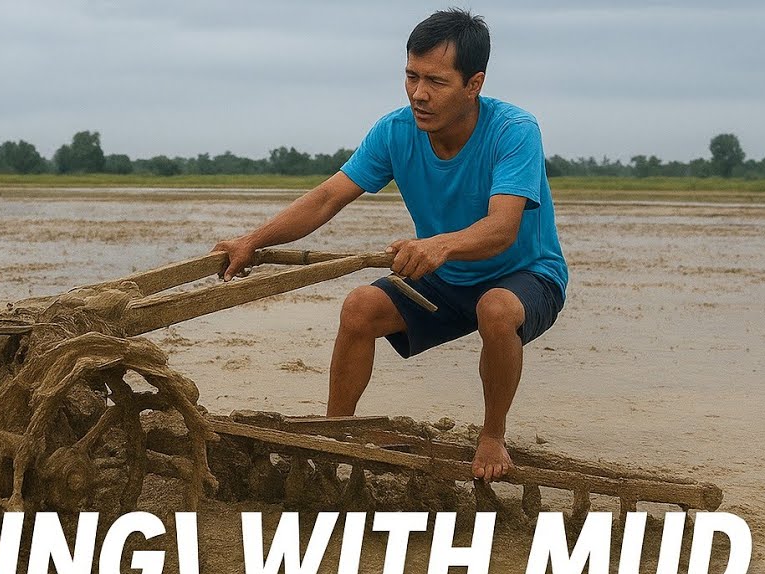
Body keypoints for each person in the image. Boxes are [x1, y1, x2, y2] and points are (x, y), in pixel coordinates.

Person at [213, 9, 568, 484]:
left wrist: (438, 245)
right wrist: (250, 242)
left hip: (523, 274)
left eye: (436, 82)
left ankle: (492, 436)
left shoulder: (513, 131)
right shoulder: (395, 131)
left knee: (497, 310)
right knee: (360, 307)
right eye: (411, 76)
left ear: (474, 83)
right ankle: (333, 438)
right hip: (446, 276)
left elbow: (502, 229)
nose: (419, 94)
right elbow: (326, 198)